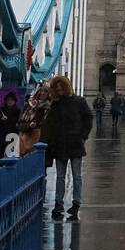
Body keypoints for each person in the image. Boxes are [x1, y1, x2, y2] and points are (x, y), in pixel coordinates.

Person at [42, 75, 93, 221]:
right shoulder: (55, 104)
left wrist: (83, 136)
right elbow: (50, 125)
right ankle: (59, 204)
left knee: (76, 176)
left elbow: (88, 118)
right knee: (60, 176)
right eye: (56, 89)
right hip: (60, 144)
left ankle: (76, 203)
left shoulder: (79, 101)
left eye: (61, 88)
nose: (59, 91)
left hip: (75, 143)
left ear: (66, 87)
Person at [17, 79, 56, 157]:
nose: (43, 93)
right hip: (27, 142)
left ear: (49, 94)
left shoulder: (51, 108)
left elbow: (53, 126)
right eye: (41, 91)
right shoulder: (29, 106)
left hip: (44, 144)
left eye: (46, 91)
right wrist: (29, 125)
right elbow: (19, 124)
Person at [0, 91, 20, 162]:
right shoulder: (1, 110)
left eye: (11, 100)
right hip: (1, 135)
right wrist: (0, 118)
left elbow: (18, 122)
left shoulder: (18, 110)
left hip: (12, 135)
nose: (10, 102)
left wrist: (8, 119)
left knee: (11, 155)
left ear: (14, 101)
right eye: (8, 100)